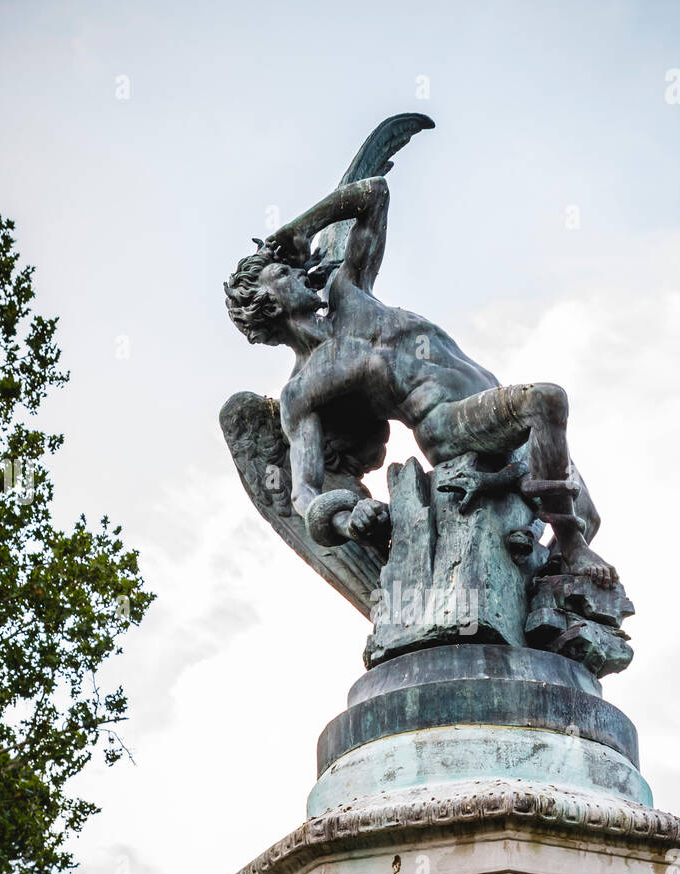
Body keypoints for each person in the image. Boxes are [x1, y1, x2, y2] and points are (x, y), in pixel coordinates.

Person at [224, 176, 615, 585]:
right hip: (447, 422)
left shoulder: (350, 290)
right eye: (284, 274)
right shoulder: (302, 389)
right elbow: (303, 493)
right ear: (266, 304)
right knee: (547, 400)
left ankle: (542, 585)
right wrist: (347, 521)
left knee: (589, 516)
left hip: (495, 407)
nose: (301, 273)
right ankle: (572, 547)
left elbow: (374, 193)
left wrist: (297, 229)